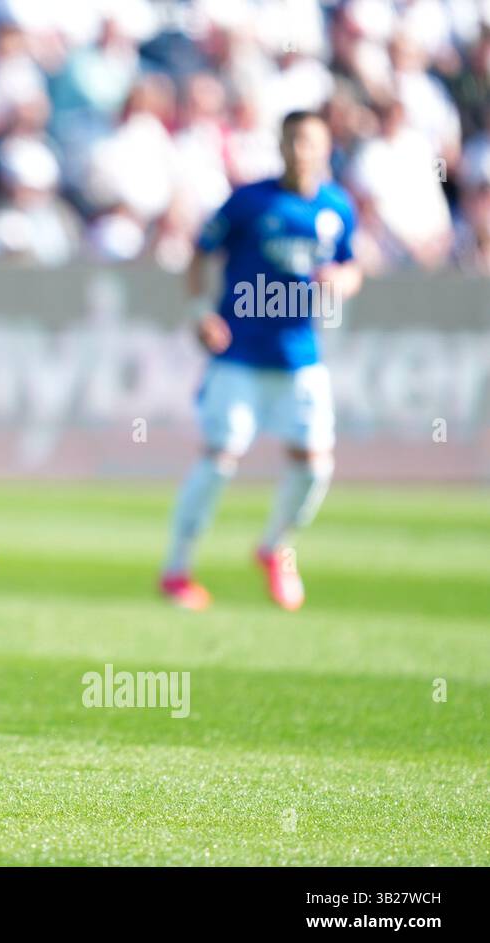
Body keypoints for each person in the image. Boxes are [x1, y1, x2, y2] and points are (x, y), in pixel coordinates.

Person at [160, 110, 363, 611]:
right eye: (292, 140)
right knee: (220, 459)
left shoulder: (337, 207)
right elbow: (200, 250)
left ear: (325, 147)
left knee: (315, 467)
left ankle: (274, 548)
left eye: (310, 141)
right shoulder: (250, 201)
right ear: (280, 144)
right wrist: (199, 311)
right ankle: (177, 570)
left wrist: (344, 281)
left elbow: (351, 264)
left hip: (299, 358)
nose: (301, 150)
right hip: (240, 356)